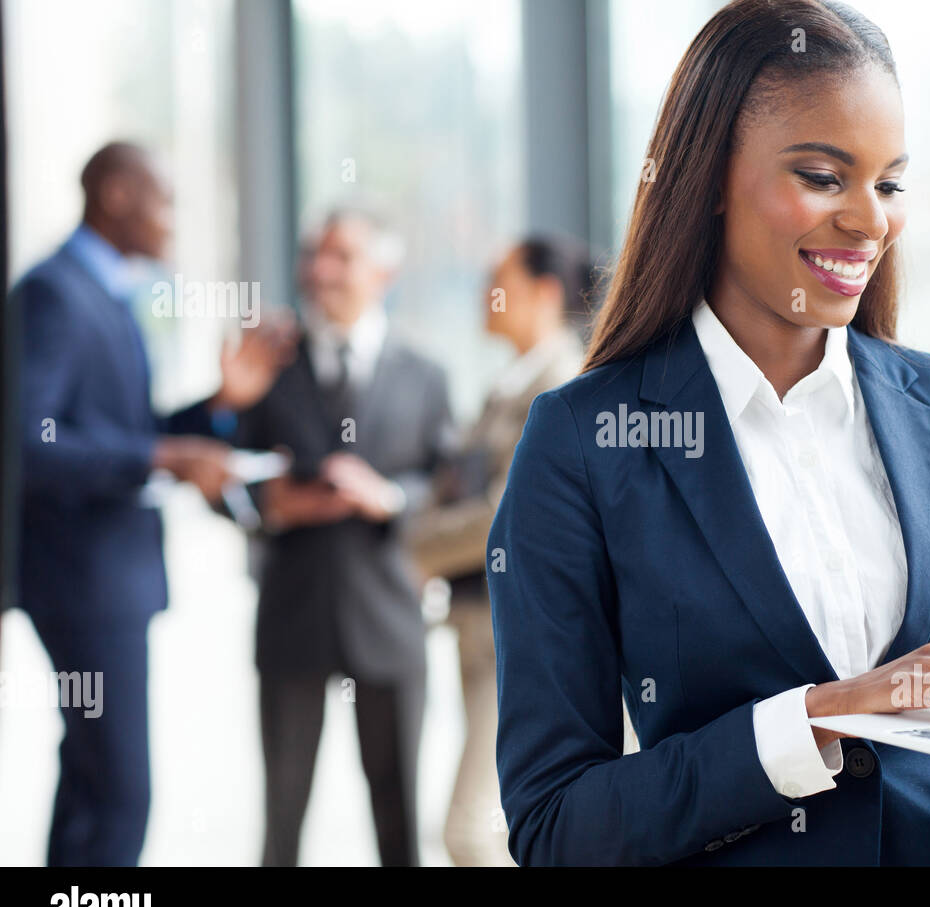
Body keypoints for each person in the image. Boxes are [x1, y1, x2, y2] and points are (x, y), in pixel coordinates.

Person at [487, 0, 930, 866]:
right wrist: (825, 715)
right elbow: (556, 826)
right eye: (824, 177)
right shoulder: (583, 445)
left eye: (889, 183)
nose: (871, 221)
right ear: (709, 178)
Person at [11, 141, 291, 866]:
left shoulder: (107, 292)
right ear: (115, 196)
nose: (174, 218)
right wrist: (164, 456)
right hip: (79, 580)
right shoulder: (53, 292)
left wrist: (221, 405)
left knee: (93, 780)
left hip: (105, 579)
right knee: (120, 792)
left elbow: (127, 434)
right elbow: (29, 442)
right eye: (165, 199)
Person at [236, 204, 453, 866]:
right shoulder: (266, 363)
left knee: (399, 819)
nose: (320, 270)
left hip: (388, 618)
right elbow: (230, 472)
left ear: (383, 273)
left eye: (341, 257)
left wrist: (388, 498)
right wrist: (271, 506)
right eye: (313, 254)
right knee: (282, 818)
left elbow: (448, 485)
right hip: (292, 617)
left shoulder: (426, 372)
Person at [405, 236, 592, 866]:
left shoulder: (558, 385)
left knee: (469, 830)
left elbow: (503, 512)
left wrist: (416, 549)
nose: (485, 294)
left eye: (498, 279)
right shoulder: (508, 386)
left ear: (543, 293)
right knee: (501, 816)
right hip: (479, 626)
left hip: (523, 634)